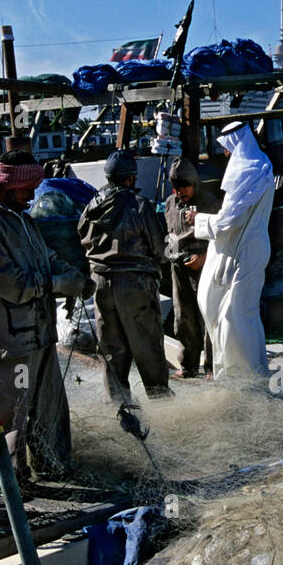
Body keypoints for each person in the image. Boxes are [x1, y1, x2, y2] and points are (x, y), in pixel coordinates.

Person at [0, 151, 91, 481]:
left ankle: (55, 470)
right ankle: (15, 485)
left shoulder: (20, 219)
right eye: (27, 189)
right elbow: (10, 284)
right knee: (12, 418)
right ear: (6, 186)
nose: (32, 196)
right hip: (9, 342)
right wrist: (57, 284)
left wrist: (74, 277)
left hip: (40, 336)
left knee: (50, 411)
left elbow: (48, 257)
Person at [78, 151, 173, 401]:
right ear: (131, 178)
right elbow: (160, 250)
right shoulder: (140, 205)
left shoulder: (91, 206)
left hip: (100, 284)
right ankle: (162, 402)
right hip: (135, 285)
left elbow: (81, 239)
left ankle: (119, 407)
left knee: (111, 350)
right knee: (147, 345)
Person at [182, 121, 273, 380]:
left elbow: (226, 222)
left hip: (242, 251)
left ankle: (239, 376)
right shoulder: (261, 163)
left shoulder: (246, 170)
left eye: (227, 148)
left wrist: (197, 219)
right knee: (243, 312)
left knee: (233, 317)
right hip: (250, 248)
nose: (225, 154)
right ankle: (250, 371)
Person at [163, 158, 218, 378]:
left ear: (195, 183)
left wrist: (204, 257)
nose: (180, 192)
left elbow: (222, 237)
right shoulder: (170, 203)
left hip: (204, 267)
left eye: (185, 186)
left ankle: (212, 368)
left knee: (207, 318)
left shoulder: (210, 204)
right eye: (176, 187)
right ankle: (188, 366)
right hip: (178, 268)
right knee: (182, 318)